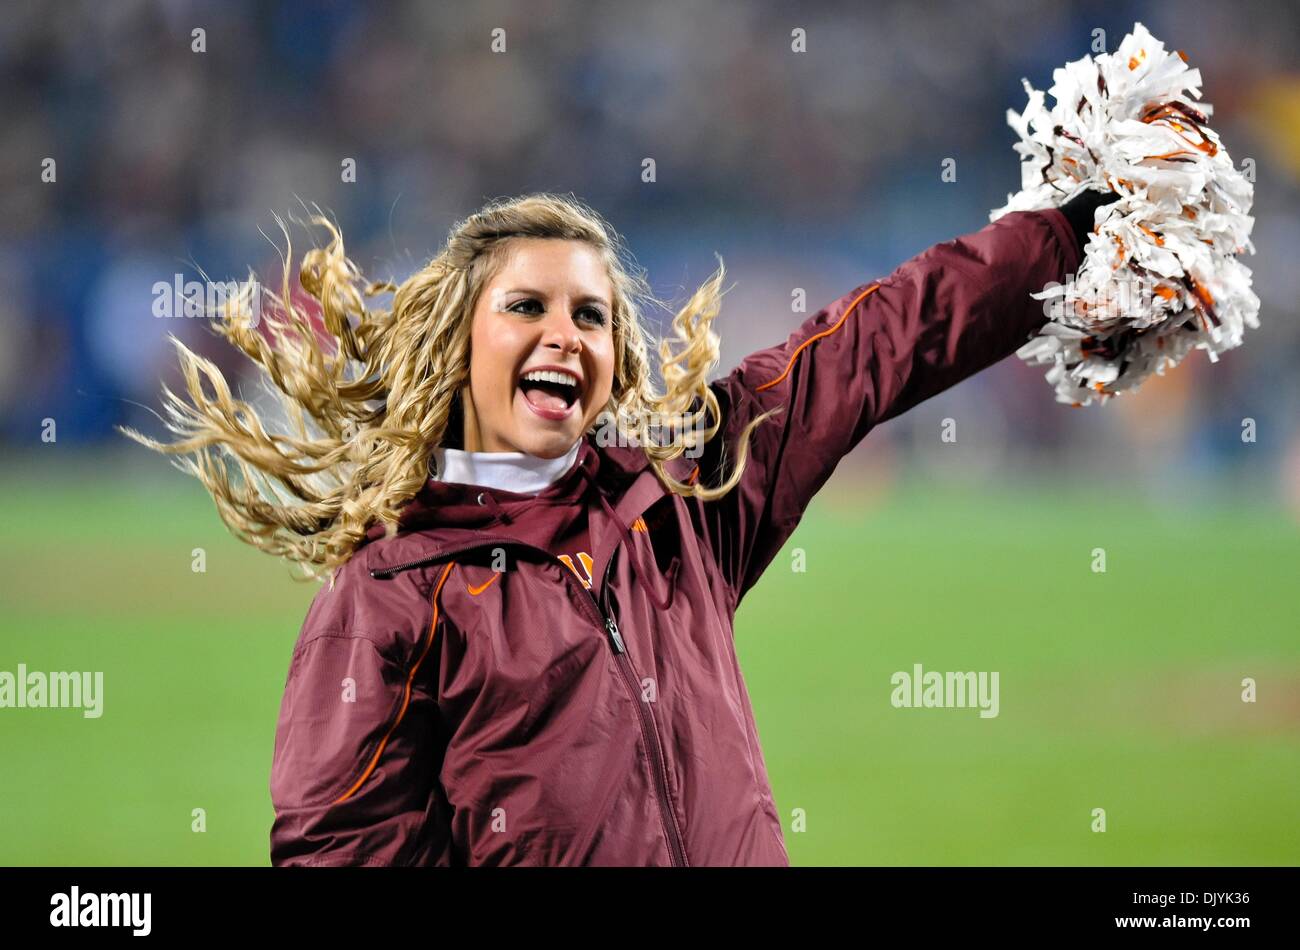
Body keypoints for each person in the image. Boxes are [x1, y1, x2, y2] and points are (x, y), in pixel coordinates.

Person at [122, 188, 1113, 865]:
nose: (565, 333)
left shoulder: (687, 497)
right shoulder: (390, 593)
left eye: (591, 314)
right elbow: (341, 848)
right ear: (454, 342)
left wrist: (1075, 226)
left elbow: (882, 339)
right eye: (527, 306)